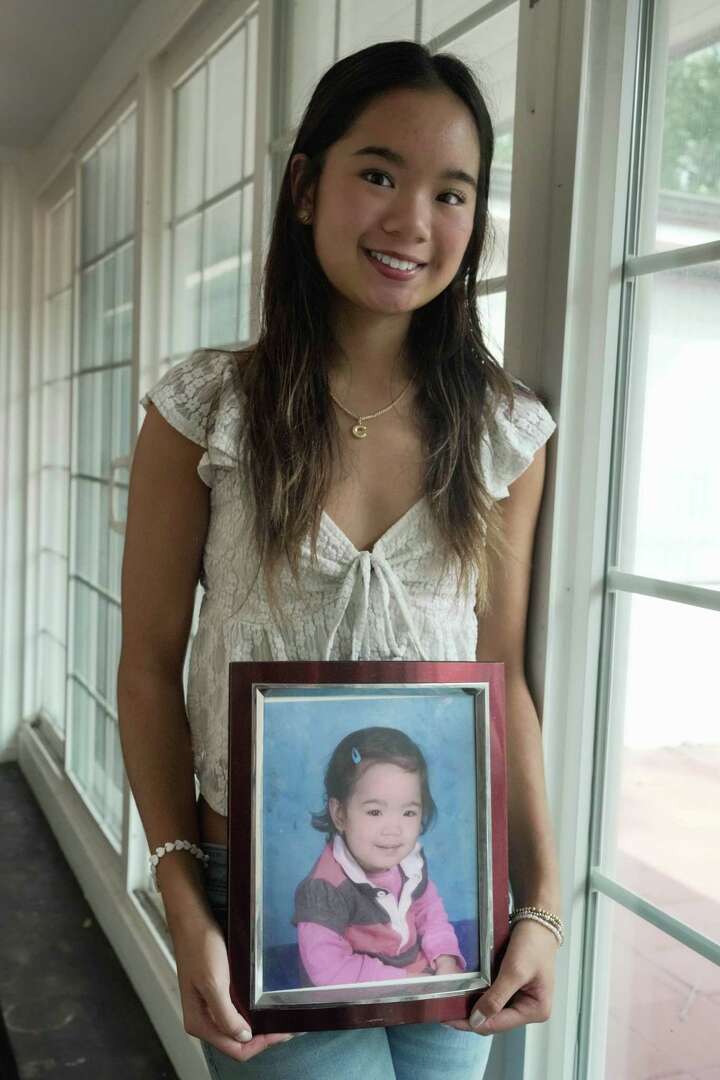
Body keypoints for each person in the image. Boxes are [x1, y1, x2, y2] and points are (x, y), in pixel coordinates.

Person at [118, 38, 563, 1080]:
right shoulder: (203, 411)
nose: (413, 221)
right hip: (267, 899)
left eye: (452, 193)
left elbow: (505, 681)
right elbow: (147, 667)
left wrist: (540, 900)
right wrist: (185, 904)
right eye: (378, 174)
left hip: (451, 900)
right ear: (306, 188)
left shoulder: (504, 436)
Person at [293, 727, 465, 987]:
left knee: (456, 1026)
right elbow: (330, 972)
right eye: (375, 812)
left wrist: (445, 958)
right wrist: (407, 982)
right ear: (340, 814)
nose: (393, 829)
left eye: (408, 813)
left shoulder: (409, 864)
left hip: (413, 976)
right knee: (359, 1031)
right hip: (347, 994)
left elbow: (429, 912)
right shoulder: (324, 889)